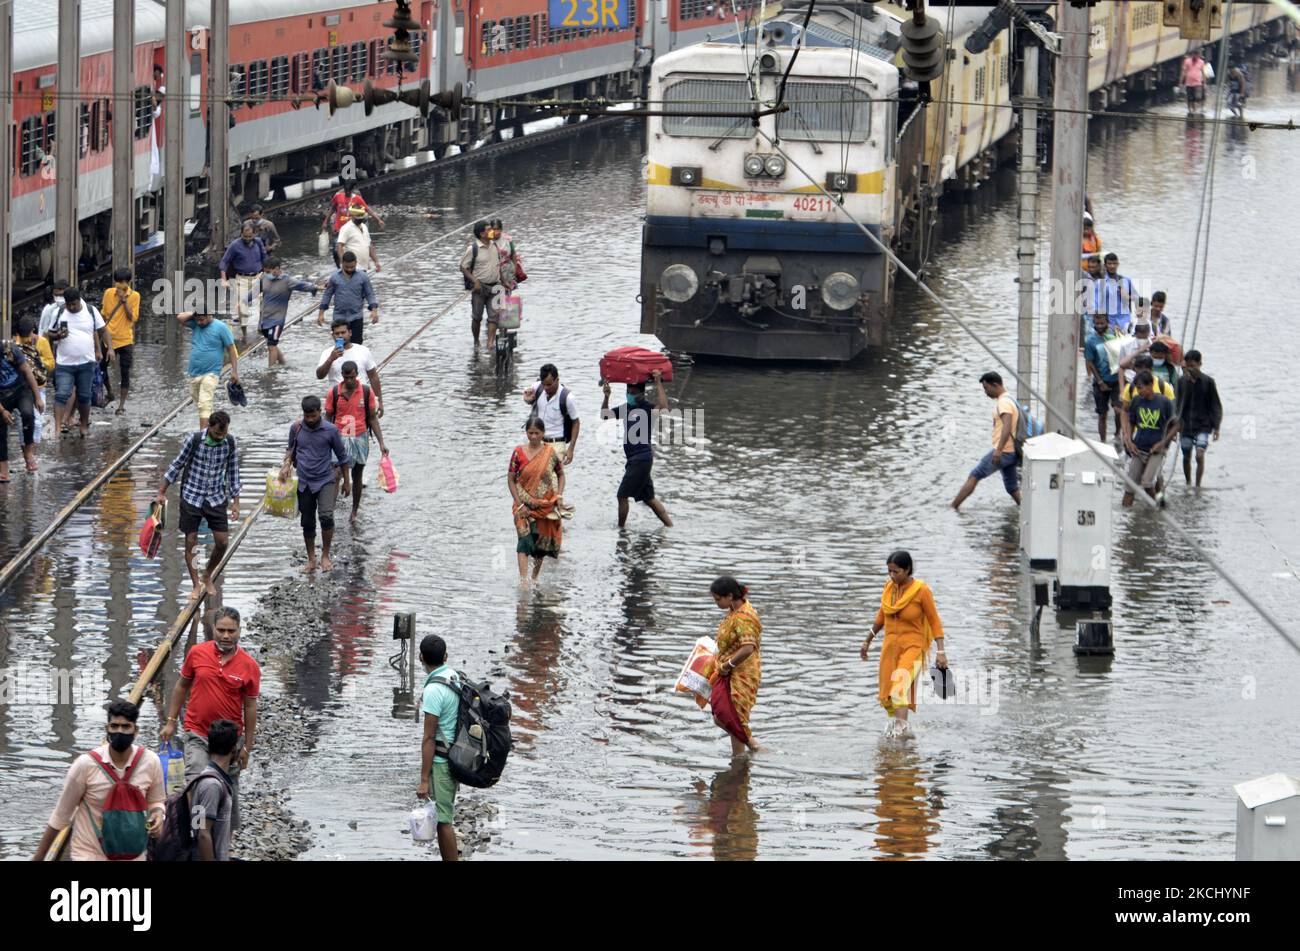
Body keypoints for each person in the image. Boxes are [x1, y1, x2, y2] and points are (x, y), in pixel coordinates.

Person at [160, 607, 260, 831]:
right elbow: (181, 686)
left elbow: (250, 706)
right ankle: (196, 832)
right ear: (213, 629)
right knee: (196, 781)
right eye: (221, 630)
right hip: (197, 732)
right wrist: (170, 720)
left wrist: (247, 748)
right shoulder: (197, 653)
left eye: (231, 631)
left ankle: (225, 838)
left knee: (228, 787)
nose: (226, 636)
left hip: (229, 739)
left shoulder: (249, 666)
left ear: (239, 631)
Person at [33, 698, 166, 861]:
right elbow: (61, 815)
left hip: (132, 854)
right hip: (89, 854)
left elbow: (157, 800)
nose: (120, 732)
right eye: (114, 726)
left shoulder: (151, 761)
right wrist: (39, 857)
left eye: (126, 727)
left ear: (136, 730)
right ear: (107, 729)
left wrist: (158, 814)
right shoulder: (85, 765)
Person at [859, 551, 947, 739]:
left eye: (896, 572)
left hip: (913, 648)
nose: (892, 576)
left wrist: (941, 652)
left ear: (907, 570)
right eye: (889, 572)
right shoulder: (889, 588)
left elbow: (935, 622)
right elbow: (882, 616)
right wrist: (868, 640)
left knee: (900, 686)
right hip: (890, 647)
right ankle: (900, 733)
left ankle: (901, 732)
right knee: (888, 692)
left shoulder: (921, 591)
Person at [156, 410, 241, 598]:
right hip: (191, 495)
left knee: (222, 541)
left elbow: (233, 472)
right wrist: (161, 492)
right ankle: (195, 584)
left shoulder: (230, 443)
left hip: (216, 497)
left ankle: (208, 575)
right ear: (209, 427)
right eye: (217, 433)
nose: (220, 437)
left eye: (223, 433)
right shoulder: (194, 440)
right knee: (191, 541)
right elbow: (176, 465)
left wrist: (236, 502)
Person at [281, 395, 351, 573]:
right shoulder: (296, 428)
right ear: (303, 414)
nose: (310, 420)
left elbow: (342, 457)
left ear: (320, 412)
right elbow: (290, 450)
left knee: (326, 516)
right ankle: (311, 559)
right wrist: (286, 464)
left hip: (326, 479)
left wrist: (347, 482)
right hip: (304, 482)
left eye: (314, 416)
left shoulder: (331, 430)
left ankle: (325, 556)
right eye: (307, 416)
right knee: (307, 521)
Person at [601, 370, 672, 528]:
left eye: (633, 393)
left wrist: (658, 382)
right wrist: (606, 396)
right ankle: (670, 527)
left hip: (641, 459)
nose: (630, 395)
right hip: (635, 460)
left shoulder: (647, 409)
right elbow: (605, 415)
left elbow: (665, 407)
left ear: (641, 394)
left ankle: (621, 531)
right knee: (649, 499)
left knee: (622, 495)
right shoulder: (626, 408)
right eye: (628, 392)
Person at [325, 359, 389, 523]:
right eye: (347, 378)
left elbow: (373, 418)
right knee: (336, 473)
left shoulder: (367, 392)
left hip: (360, 437)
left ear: (357, 375)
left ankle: (354, 511)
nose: (350, 381)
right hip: (339, 437)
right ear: (342, 376)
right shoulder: (334, 393)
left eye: (353, 377)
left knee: (357, 474)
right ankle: (329, 512)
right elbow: (327, 418)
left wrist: (382, 443)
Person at [416, 634, 460, 862]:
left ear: (420, 658)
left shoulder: (433, 691)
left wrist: (424, 779)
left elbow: (429, 738)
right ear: (446, 657)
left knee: (444, 822)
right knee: (445, 817)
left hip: (442, 762)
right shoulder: (453, 676)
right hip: (456, 755)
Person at [707, 576, 762, 757]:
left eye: (718, 599)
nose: (716, 603)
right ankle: (752, 748)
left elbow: (748, 648)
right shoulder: (734, 609)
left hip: (741, 674)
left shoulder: (743, 617)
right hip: (727, 670)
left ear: (730, 596)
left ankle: (739, 760)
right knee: (722, 717)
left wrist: (728, 665)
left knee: (733, 718)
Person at [951, 371, 1021, 510]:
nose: (985, 392)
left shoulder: (1004, 402)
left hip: (1004, 451)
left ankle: (953, 507)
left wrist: (999, 451)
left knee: (975, 475)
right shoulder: (1010, 399)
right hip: (1011, 451)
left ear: (995, 385)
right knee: (1011, 487)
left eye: (986, 388)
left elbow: (1007, 426)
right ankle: (1026, 508)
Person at [508, 415, 566, 583]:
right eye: (530, 433)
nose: (533, 437)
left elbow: (561, 475)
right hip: (522, 504)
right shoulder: (518, 453)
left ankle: (534, 578)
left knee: (540, 545)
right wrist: (519, 504)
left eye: (537, 433)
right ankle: (524, 580)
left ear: (543, 433)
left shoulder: (550, 452)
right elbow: (511, 478)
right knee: (524, 541)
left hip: (545, 506)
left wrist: (559, 495)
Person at [47, 288, 111, 439]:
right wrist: (58, 335)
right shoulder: (59, 311)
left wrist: (110, 349)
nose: (71, 308)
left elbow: (102, 331)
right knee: (61, 394)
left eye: (74, 304)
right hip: (64, 363)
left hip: (86, 363)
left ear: (79, 300)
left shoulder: (91, 311)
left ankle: (83, 424)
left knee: (84, 395)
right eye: (69, 305)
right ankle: (57, 428)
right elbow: (49, 333)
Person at [245, 257, 320, 367]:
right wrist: (242, 301)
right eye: (265, 271)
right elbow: (253, 292)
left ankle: (271, 371)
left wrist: (317, 287)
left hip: (277, 320)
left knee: (271, 345)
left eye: (268, 271)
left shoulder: (287, 281)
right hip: (265, 319)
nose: (266, 274)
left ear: (276, 269)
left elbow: (303, 285)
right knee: (271, 344)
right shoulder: (264, 279)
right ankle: (283, 363)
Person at [1121, 370, 1180, 507]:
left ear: (1150, 385)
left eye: (1141, 387)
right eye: (1136, 388)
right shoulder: (1136, 401)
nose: (1138, 391)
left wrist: (1163, 443)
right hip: (1138, 448)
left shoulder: (1164, 402)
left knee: (1147, 482)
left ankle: (1159, 512)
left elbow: (1176, 425)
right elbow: (1131, 422)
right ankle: (1125, 521)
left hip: (1157, 451)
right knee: (1129, 488)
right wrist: (1129, 440)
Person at [177, 307, 239, 431]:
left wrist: (234, 371)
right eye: (198, 320)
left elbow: (231, 349)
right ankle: (213, 427)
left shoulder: (221, 327)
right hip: (194, 372)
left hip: (211, 373)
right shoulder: (196, 324)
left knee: (204, 404)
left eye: (202, 319)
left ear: (210, 315)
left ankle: (203, 436)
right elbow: (180, 317)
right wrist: (194, 314)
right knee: (201, 404)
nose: (200, 322)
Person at [190, 719, 238, 861]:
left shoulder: (206, 777)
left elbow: (197, 827)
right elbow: (202, 834)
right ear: (234, 749)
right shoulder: (213, 785)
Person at [1176, 349, 1223, 488]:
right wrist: (1174, 425)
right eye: (1188, 366)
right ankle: (1188, 482)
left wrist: (1217, 427)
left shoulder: (1208, 382)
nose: (1191, 369)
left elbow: (1216, 406)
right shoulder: (1181, 381)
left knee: (1199, 455)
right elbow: (1176, 404)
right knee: (1186, 455)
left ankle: (1197, 485)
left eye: (1193, 366)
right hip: (1185, 425)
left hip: (1203, 425)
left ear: (1200, 364)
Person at [316, 318, 383, 412]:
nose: (340, 336)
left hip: (362, 400)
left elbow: (373, 377)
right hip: (338, 401)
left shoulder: (363, 350)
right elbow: (319, 375)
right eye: (337, 333)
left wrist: (378, 401)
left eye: (343, 332)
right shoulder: (327, 353)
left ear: (350, 333)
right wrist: (331, 359)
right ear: (332, 335)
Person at [0, 335, 44, 479]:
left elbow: (27, 371)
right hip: (2, 396)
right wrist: (3, 411)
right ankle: (3, 468)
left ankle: (29, 452)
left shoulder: (10, 349)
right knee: (0, 428)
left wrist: (38, 397)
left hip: (21, 389)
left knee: (27, 414)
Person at [100, 268, 140, 415]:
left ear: (128, 283)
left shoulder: (134, 296)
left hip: (125, 340)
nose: (120, 285)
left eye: (123, 283)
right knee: (101, 367)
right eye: (118, 282)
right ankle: (110, 392)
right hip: (108, 338)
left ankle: (121, 405)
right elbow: (103, 315)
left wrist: (124, 302)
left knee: (125, 372)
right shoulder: (109, 293)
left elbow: (133, 318)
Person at [219, 223, 268, 344]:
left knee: (265, 301)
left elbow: (265, 258)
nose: (247, 239)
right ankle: (245, 333)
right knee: (243, 306)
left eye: (250, 236)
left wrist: (269, 273)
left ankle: (261, 326)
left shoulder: (258, 242)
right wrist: (223, 279)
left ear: (254, 234)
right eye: (245, 237)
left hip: (258, 276)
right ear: (241, 234)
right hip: (242, 278)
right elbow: (224, 262)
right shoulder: (235, 245)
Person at [522, 364, 581, 465]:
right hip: (537, 441)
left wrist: (571, 449)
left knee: (550, 476)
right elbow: (527, 396)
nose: (546, 388)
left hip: (557, 444)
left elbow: (576, 422)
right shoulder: (537, 387)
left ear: (557, 380)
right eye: (543, 384)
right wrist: (527, 399)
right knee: (534, 475)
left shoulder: (567, 397)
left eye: (549, 385)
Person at [318, 250, 379, 345]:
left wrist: (374, 310)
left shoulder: (363, 277)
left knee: (357, 345)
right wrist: (321, 313)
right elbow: (327, 294)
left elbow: (370, 294)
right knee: (340, 345)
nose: (350, 269)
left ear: (356, 263)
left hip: (356, 316)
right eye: (347, 267)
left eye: (352, 267)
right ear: (342, 264)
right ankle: (341, 359)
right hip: (339, 316)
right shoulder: (334, 278)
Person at [459, 220, 501, 348]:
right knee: (477, 317)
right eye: (489, 229)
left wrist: (504, 282)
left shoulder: (495, 245)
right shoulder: (473, 249)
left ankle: (489, 343)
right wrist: (474, 281)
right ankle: (476, 341)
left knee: (494, 317)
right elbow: (463, 267)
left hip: (495, 287)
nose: (492, 231)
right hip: (479, 288)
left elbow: (499, 265)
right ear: (482, 234)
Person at [1084, 312, 1124, 443]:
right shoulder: (1090, 341)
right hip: (1100, 382)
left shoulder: (1115, 337)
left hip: (1116, 381)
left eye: (1102, 323)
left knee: (1118, 410)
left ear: (1107, 323)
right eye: (1097, 323)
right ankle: (1103, 441)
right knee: (1102, 414)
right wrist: (1100, 381)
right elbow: (1090, 362)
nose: (1099, 326)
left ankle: (1117, 434)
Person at [322, 183, 384, 266]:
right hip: (339, 228)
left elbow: (368, 210)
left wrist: (378, 220)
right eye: (346, 191)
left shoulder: (357, 198)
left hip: (352, 228)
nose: (347, 193)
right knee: (336, 250)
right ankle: (341, 267)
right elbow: (333, 208)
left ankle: (352, 265)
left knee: (355, 246)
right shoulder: (338, 196)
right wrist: (326, 221)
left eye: (349, 191)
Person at [15, 316, 53, 449]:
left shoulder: (41, 342)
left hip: (39, 387)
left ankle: (32, 452)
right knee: (23, 422)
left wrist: (37, 360)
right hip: (21, 388)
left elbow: (51, 364)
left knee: (37, 422)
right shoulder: (14, 343)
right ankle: (27, 454)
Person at [336, 202, 381, 274]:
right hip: (352, 268)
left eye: (361, 217)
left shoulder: (364, 227)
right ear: (352, 216)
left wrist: (376, 261)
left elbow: (369, 246)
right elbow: (339, 246)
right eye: (358, 217)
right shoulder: (346, 228)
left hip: (364, 268)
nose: (360, 219)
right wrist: (343, 263)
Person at [1098, 253, 1136, 333]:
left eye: (1114, 263)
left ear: (1118, 264)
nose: (1112, 266)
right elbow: (1097, 306)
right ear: (1105, 265)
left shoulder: (1126, 281)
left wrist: (1127, 297)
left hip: (1125, 323)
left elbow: (1138, 298)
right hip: (1109, 324)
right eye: (1109, 264)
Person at [490, 217, 521, 293]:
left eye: (498, 229)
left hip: (508, 271)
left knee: (507, 294)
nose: (496, 231)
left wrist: (515, 270)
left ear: (501, 229)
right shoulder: (487, 240)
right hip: (494, 272)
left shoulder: (507, 239)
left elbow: (513, 254)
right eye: (494, 229)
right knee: (495, 296)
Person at [1181, 50, 1207, 116]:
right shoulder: (1187, 61)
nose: (1195, 56)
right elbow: (1183, 72)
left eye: (1196, 54)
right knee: (1189, 98)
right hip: (1189, 83)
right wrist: (1181, 82)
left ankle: (1195, 110)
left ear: (1198, 55)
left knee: (1197, 98)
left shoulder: (1201, 62)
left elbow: (1204, 73)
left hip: (1198, 83)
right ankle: (1190, 110)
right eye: (1194, 54)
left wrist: (1204, 83)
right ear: (1192, 54)